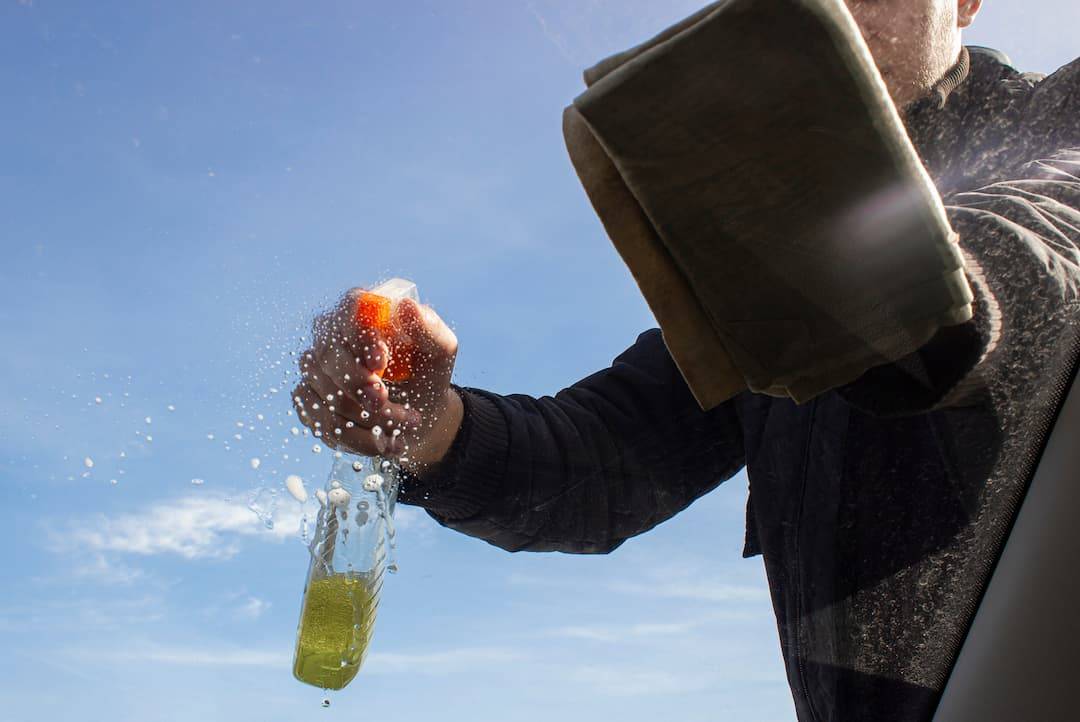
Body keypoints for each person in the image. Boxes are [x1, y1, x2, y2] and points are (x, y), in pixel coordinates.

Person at [293, 1, 1080, 719]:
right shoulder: (758, 279)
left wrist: (880, 284)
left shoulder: (1054, 117)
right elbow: (599, 459)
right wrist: (431, 429)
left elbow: (1043, 239)